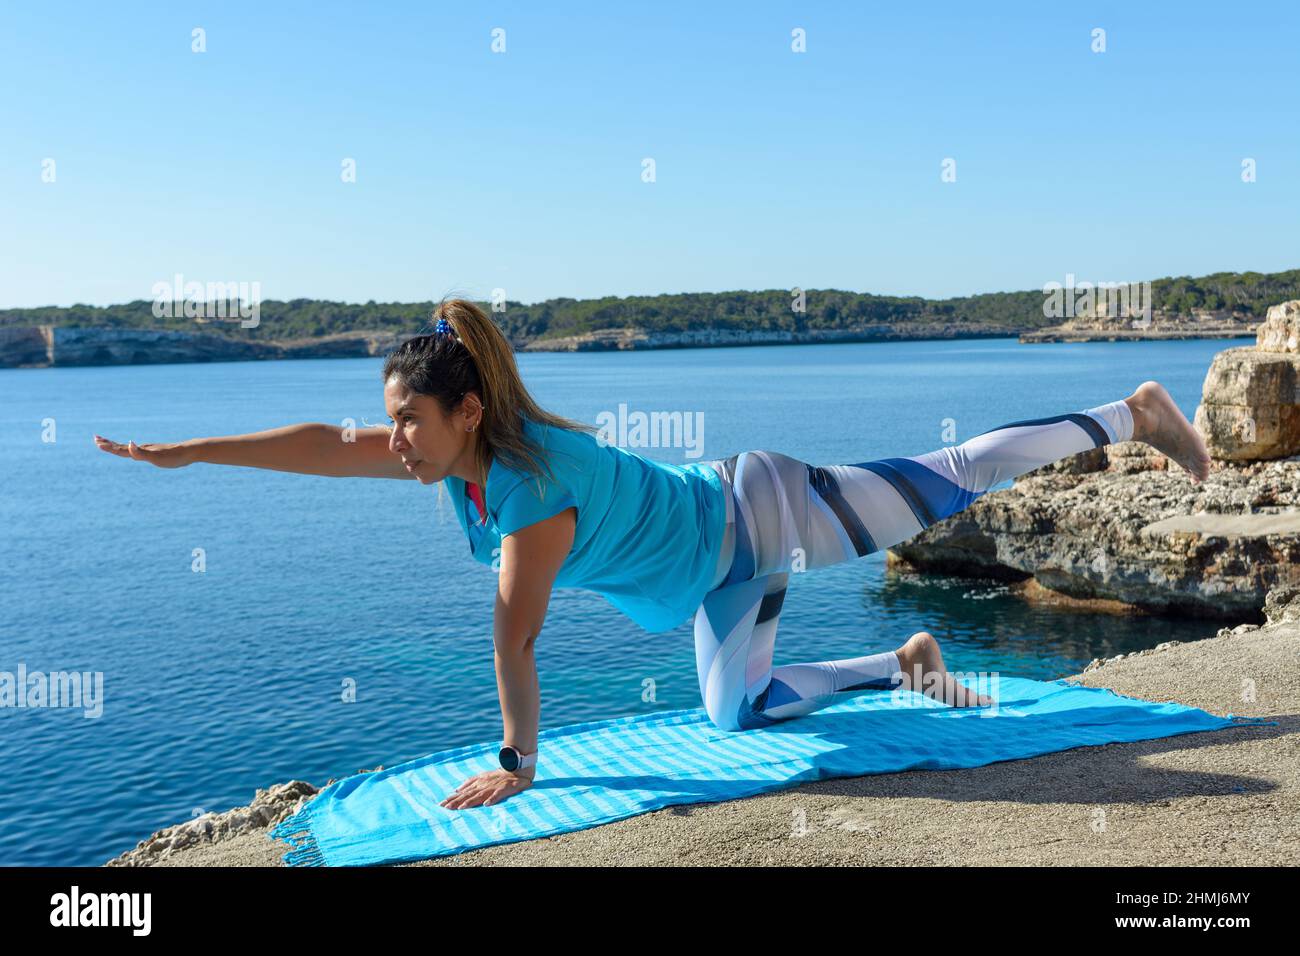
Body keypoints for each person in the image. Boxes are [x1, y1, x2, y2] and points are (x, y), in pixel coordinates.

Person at [94, 298, 1212, 811]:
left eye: (406, 421)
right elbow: (323, 444)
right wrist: (190, 451)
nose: (389, 439)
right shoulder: (456, 458)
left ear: (466, 410)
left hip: (757, 510)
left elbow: (515, 636)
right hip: (717, 571)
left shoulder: (528, 493)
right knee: (739, 713)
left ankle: (1133, 406)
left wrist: (520, 766)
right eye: (389, 419)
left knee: (940, 480)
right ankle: (898, 663)